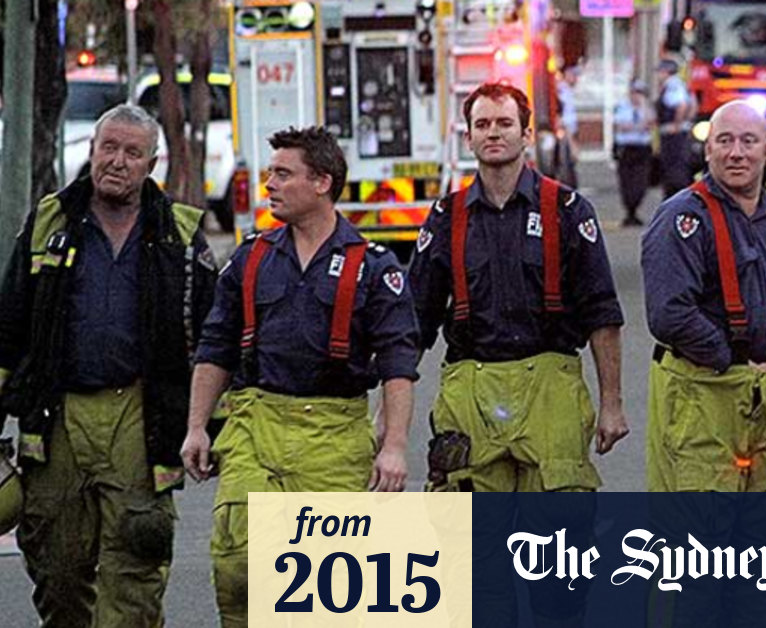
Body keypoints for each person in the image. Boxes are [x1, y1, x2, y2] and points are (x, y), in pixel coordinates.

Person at [180, 126, 419, 626]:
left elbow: (399, 361)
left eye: (283, 174)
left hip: (334, 436)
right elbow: (215, 346)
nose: (269, 184)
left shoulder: (373, 269)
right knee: (238, 565)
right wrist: (197, 426)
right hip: (255, 425)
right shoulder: (250, 257)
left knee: (326, 594)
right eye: (271, 173)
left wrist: (394, 445)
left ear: (321, 183)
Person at [408, 82, 625, 627]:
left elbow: (602, 313)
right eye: (482, 125)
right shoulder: (445, 217)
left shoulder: (569, 210)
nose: (493, 134)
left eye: (504, 123)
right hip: (470, 390)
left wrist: (613, 403)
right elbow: (413, 323)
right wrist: (389, 423)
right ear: (469, 136)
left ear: (526, 134)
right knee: (477, 561)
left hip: (551, 386)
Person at [0, 104, 217, 626]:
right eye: (108, 148)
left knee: (135, 574)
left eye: (132, 152)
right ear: (93, 150)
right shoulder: (49, 221)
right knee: (58, 572)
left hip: (140, 420)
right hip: (58, 421)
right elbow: (8, 329)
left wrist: (211, 428)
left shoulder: (181, 236)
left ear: (152, 163)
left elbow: (215, 343)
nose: (117, 161)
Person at [642, 99, 766, 493]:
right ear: (708, 148)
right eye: (725, 141)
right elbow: (669, 313)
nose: (736, 153)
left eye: (749, 141)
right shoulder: (681, 217)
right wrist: (736, 363)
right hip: (706, 402)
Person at [613, 78, 655, 227]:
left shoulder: (646, 108)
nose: (636, 96)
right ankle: (630, 212)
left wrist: (643, 109)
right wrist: (638, 126)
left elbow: (650, 122)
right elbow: (621, 125)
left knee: (641, 181)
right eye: (635, 92)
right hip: (626, 148)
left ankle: (635, 207)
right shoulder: (622, 107)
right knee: (626, 181)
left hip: (642, 148)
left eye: (640, 93)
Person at [656, 57, 696, 199]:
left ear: (666, 72)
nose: (658, 75)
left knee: (674, 168)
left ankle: (676, 198)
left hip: (673, 134)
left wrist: (677, 125)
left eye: (660, 71)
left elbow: (682, 105)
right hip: (676, 132)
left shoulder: (673, 85)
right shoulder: (679, 84)